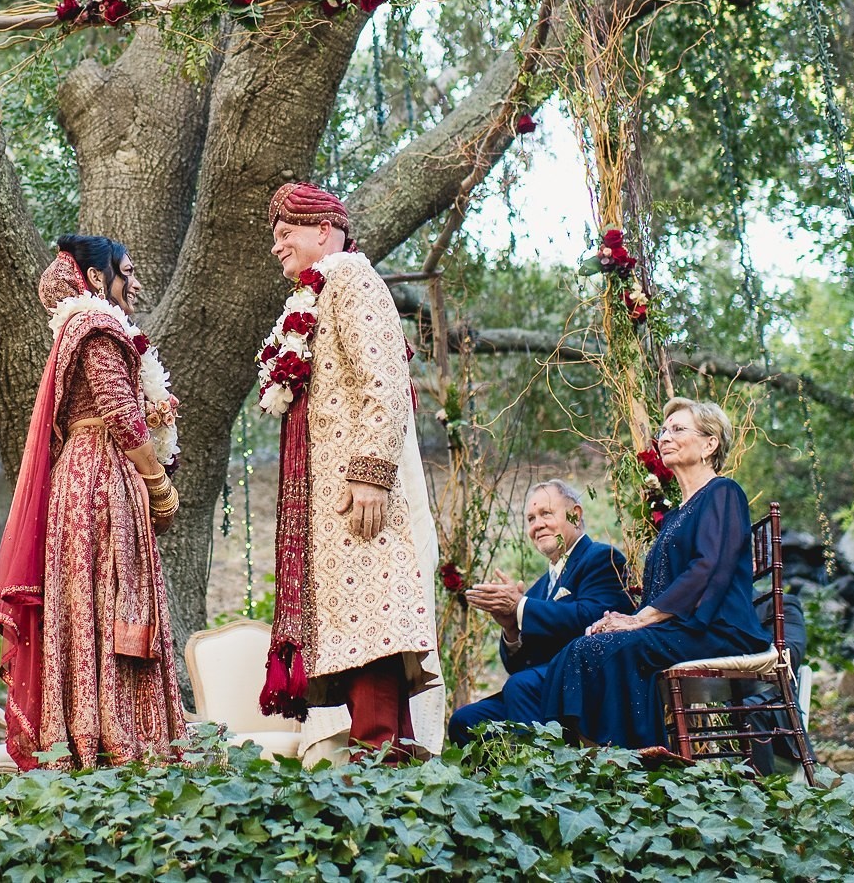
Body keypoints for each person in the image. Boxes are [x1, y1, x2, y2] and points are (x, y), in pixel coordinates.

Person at [447, 398, 771, 750]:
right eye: (663, 430)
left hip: (717, 628)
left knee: (595, 651)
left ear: (710, 444)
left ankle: (628, 755)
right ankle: (591, 757)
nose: (665, 437)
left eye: (678, 429)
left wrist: (639, 620)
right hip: (681, 629)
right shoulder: (677, 516)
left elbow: (707, 570)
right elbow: (661, 589)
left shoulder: (723, 492)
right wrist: (620, 620)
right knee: (585, 645)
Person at [255, 182, 440, 760]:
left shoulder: (353, 278)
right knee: (356, 621)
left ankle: (379, 756)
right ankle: (385, 759)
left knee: (373, 618)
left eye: (285, 233)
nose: (276, 246)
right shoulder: (319, 291)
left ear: (323, 230)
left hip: (357, 491)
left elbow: (384, 380)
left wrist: (370, 474)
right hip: (329, 498)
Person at [0, 234, 187, 769]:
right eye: (128, 271)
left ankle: (85, 733)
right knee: (111, 594)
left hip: (81, 481)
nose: (136, 283)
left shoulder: (79, 328)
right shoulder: (99, 329)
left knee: (89, 600)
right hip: (101, 476)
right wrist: (158, 483)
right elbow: (121, 416)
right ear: (98, 277)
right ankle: (116, 739)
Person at [447, 481, 634, 740]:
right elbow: (517, 665)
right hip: (544, 689)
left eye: (546, 513)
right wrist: (510, 628)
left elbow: (592, 618)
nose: (538, 525)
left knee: (520, 686)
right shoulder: (539, 588)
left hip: (588, 683)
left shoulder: (602, 558)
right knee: (465, 721)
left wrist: (520, 607)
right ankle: (509, 768)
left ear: (575, 515)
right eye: (531, 519)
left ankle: (541, 767)